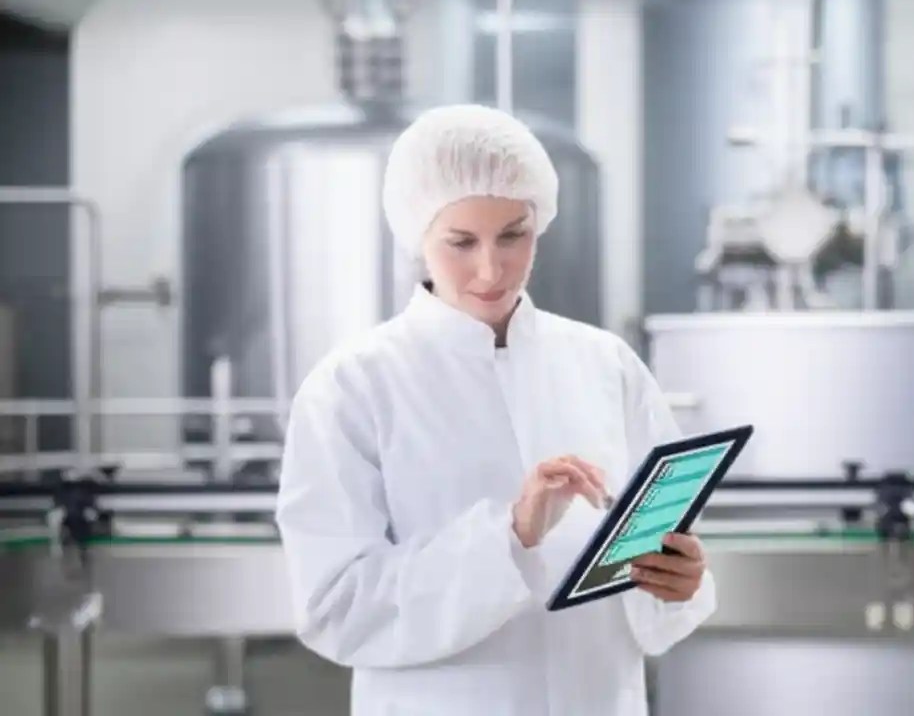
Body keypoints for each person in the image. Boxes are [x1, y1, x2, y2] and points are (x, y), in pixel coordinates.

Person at [275, 104, 716, 716]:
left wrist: (679, 584)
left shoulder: (605, 365)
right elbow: (336, 609)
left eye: (514, 235)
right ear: (417, 237)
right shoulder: (353, 387)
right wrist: (510, 535)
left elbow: (659, 572)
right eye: (461, 242)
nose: (492, 268)